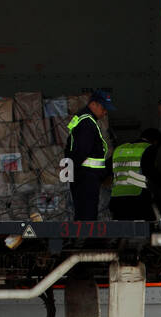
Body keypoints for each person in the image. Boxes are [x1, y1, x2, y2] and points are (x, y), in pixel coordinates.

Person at [65, 90, 114, 220]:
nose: (105, 112)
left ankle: (84, 238)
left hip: (82, 175)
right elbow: (81, 150)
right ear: (93, 104)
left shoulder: (83, 118)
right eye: (104, 108)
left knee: (83, 211)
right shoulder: (87, 123)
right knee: (87, 213)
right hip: (86, 176)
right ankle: (87, 238)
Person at [110, 128, 161, 221]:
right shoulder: (149, 148)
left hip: (117, 199)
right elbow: (150, 171)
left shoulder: (120, 149)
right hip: (138, 199)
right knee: (147, 229)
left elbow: (106, 170)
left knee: (122, 230)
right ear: (155, 142)